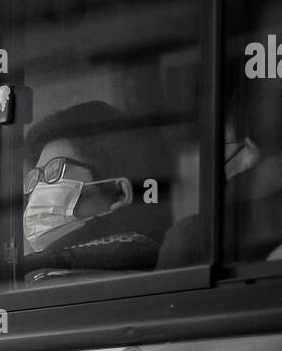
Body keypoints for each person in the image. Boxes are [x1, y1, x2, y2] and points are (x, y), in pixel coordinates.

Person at [20, 101, 171, 282]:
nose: (38, 189)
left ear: (119, 193)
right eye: (35, 177)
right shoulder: (48, 277)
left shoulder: (127, 282)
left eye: (55, 170)